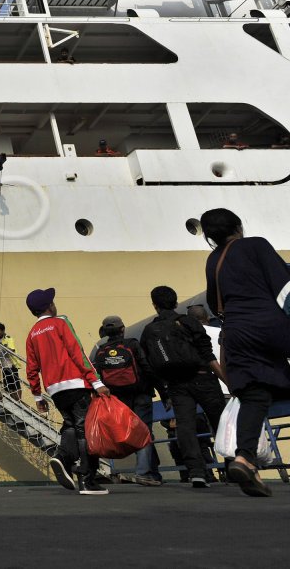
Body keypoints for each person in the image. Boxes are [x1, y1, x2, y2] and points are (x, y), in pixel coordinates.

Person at [202, 207, 290, 497]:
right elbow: (285, 289)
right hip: (268, 326)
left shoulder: (213, 260)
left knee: (255, 395)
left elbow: (215, 306)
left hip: (237, 334)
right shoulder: (255, 245)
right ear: (238, 226)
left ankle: (245, 459)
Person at [24, 287, 110, 495]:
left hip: (55, 390)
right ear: (49, 306)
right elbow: (77, 352)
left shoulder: (32, 334)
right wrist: (96, 382)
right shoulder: (60, 323)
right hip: (77, 384)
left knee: (71, 424)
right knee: (86, 430)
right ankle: (87, 480)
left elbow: (32, 368)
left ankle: (63, 457)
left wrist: (37, 395)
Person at [140, 285, 227, 489]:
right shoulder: (188, 322)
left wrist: (164, 391)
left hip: (176, 384)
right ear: (176, 302)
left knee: (185, 426)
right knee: (220, 422)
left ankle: (196, 472)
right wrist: (226, 379)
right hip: (203, 378)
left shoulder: (149, 331)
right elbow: (208, 354)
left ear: (155, 305)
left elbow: (149, 364)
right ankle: (233, 465)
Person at [90, 315, 165, 486]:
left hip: (117, 400)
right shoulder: (132, 344)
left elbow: (97, 377)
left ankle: (153, 471)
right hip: (141, 394)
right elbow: (147, 367)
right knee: (144, 432)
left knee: (132, 433)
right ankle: (144, 472)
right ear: (122, 329)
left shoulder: (100, 350)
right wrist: (163, 392)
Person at [0, 323, 23, 401]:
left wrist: (2, 345)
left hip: (11, 365)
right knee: (8, 386)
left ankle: (18, 401)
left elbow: (11, 350)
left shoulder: (8, 338)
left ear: (3, 331)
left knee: (15, 385)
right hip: (4, 366)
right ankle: (13, 400)